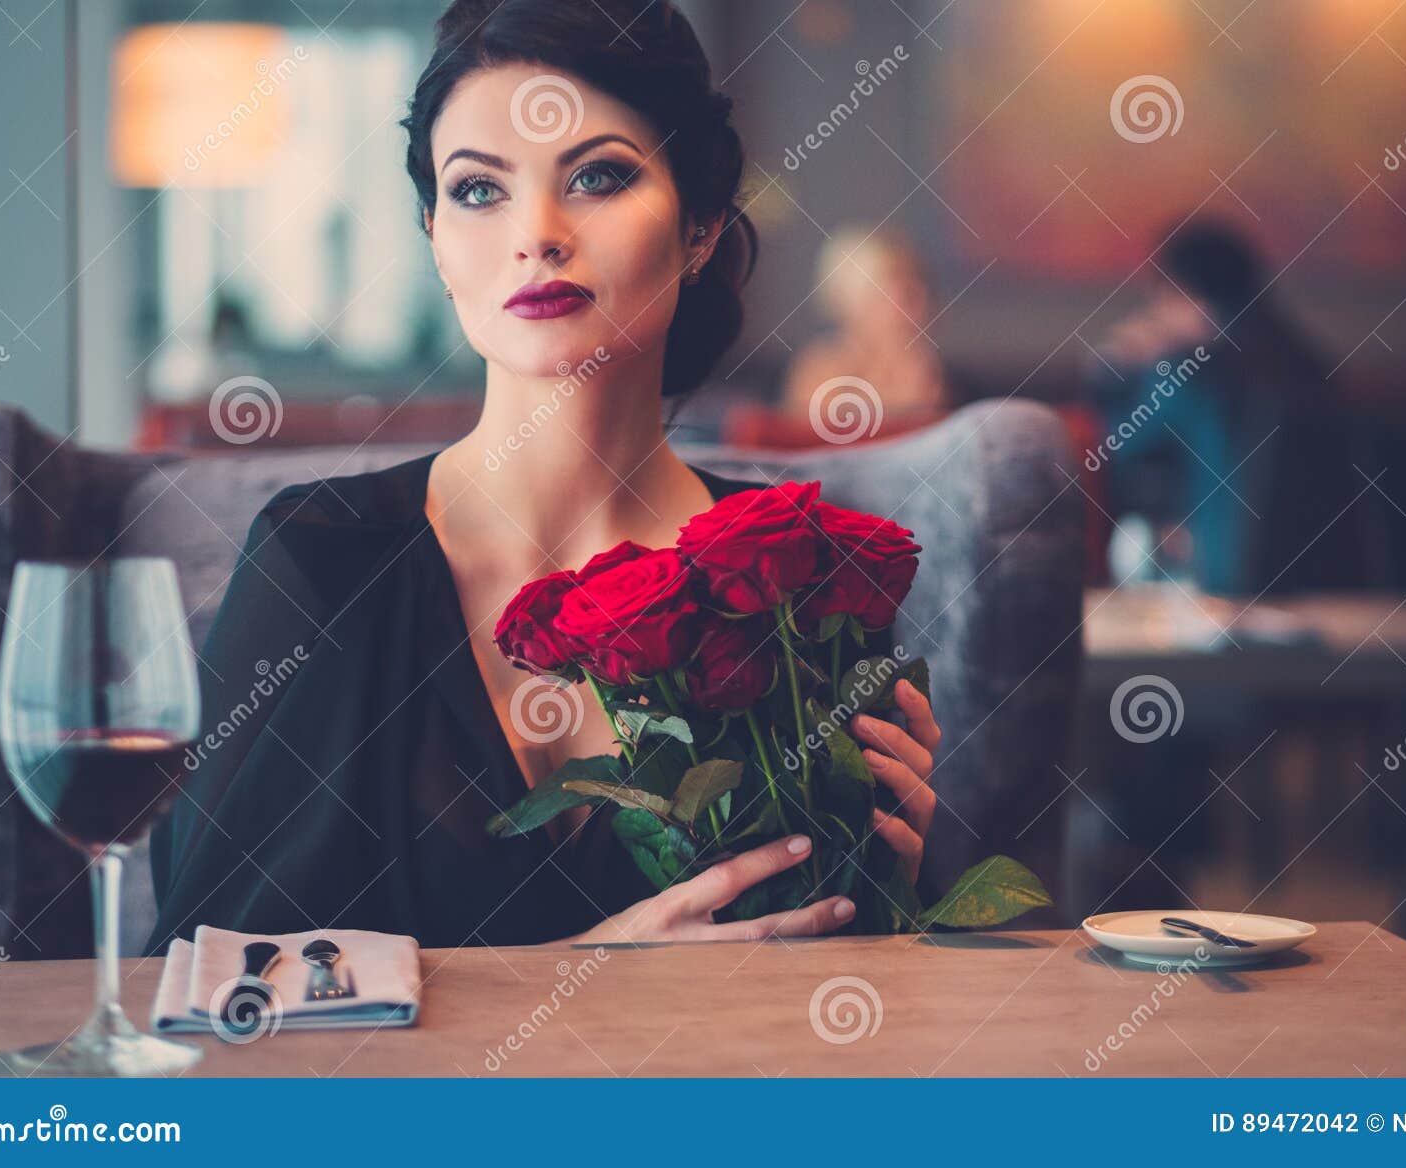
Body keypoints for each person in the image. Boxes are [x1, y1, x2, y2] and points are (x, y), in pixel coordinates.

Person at [146, 0, 941, 955]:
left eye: (598, 177)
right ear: (435, 237)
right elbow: (196, 992)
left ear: (699, 228)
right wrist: (582, 982)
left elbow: (845, 1011)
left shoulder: (801, 576)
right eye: (480, 191)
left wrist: (881, 892)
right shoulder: (323, 562)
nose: (539, 232)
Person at [1087, 216, 1383, 596]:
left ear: (1186, 296)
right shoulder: (1305, 360)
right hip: (1337, 586)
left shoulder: (1186, 372)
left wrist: (1114, 366)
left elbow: (1113, 450)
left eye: (1162, 294)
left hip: (1227, 584)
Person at [780, 225, 969, 426]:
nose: (922, 297)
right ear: (856, 300)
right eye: (904, 290)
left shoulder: (936, 376)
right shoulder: (820, 370)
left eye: (923, 283)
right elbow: (815, 441)